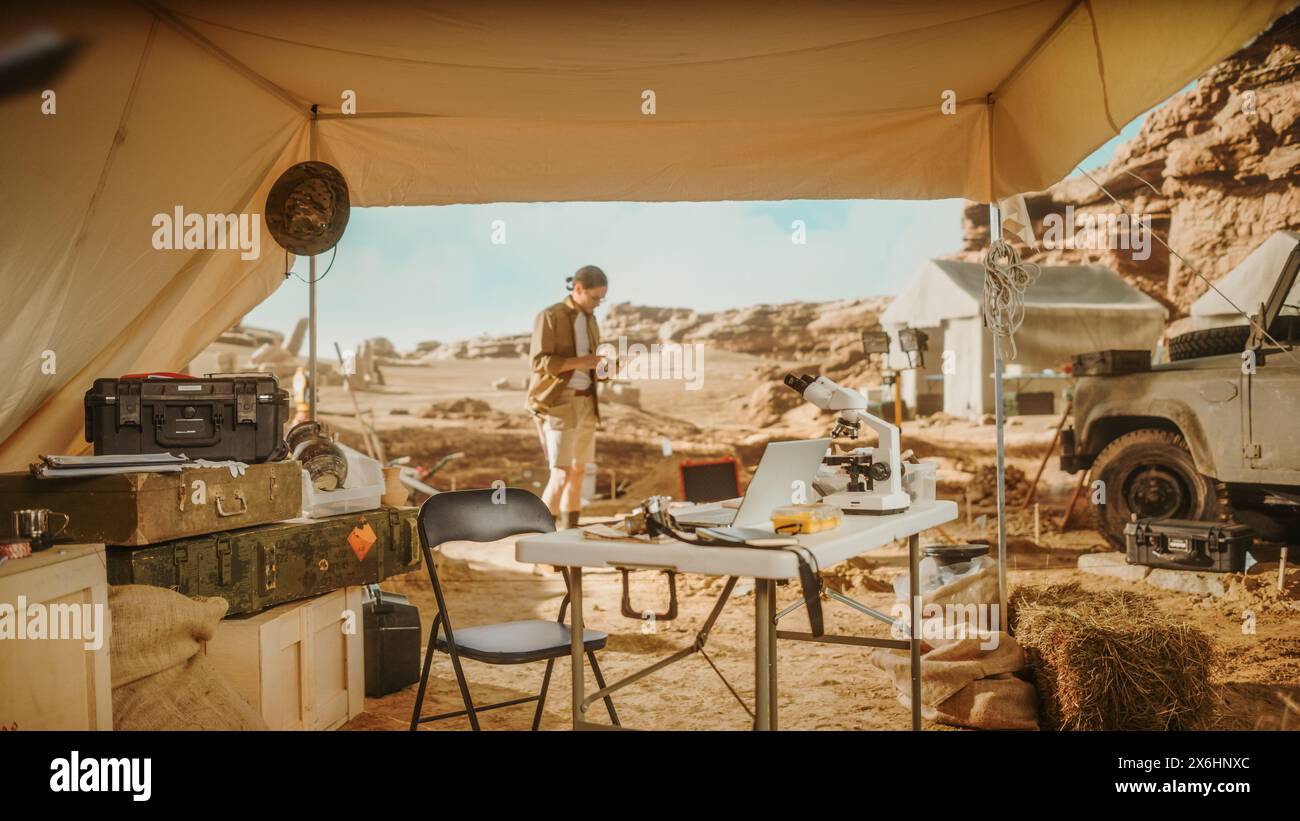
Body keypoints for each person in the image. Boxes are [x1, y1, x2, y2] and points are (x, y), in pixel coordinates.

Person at [527, 265, 608, 529]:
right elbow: (540, 362)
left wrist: (604, 369)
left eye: (602, 299)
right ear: (578, 289)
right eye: (595, 298)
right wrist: (582, 361)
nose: (598, 304)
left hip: (587, 403)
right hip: (559, 403)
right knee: (560, 474)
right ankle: (542, 544)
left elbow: (591, 364)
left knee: (578, 473)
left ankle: (569, 541)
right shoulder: (550, 316)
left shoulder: (592, 320)